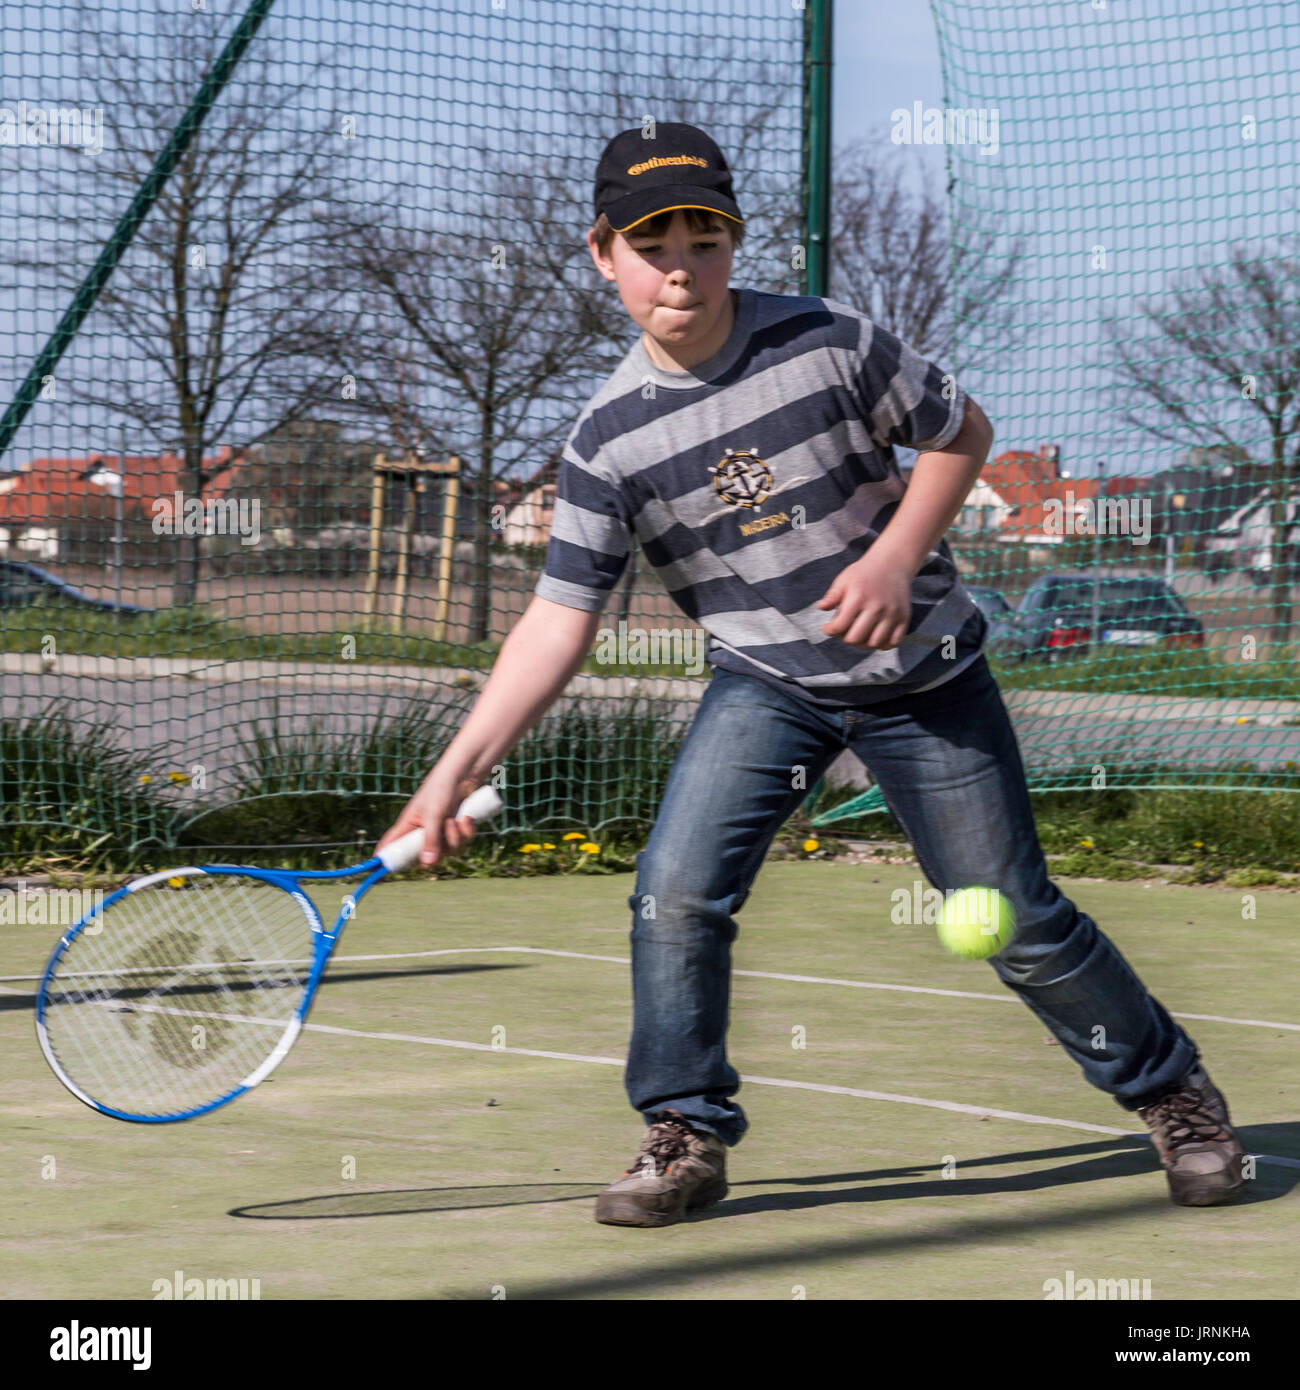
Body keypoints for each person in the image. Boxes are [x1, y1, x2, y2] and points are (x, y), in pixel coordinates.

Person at [379, 123, 1246, 1227]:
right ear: (603, 253)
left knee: (1013, 917)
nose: (682, 263)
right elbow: (558, 619)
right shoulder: (606, 441)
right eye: (653, 241)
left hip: (924, 673)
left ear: (734, 243)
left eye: (706, 235)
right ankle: (684, 1133)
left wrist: (891, 557)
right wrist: (454, 770)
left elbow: (960, 431)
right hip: (768, 681)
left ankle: (1175, 1098)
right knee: (674, 892)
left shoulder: (828, 338)